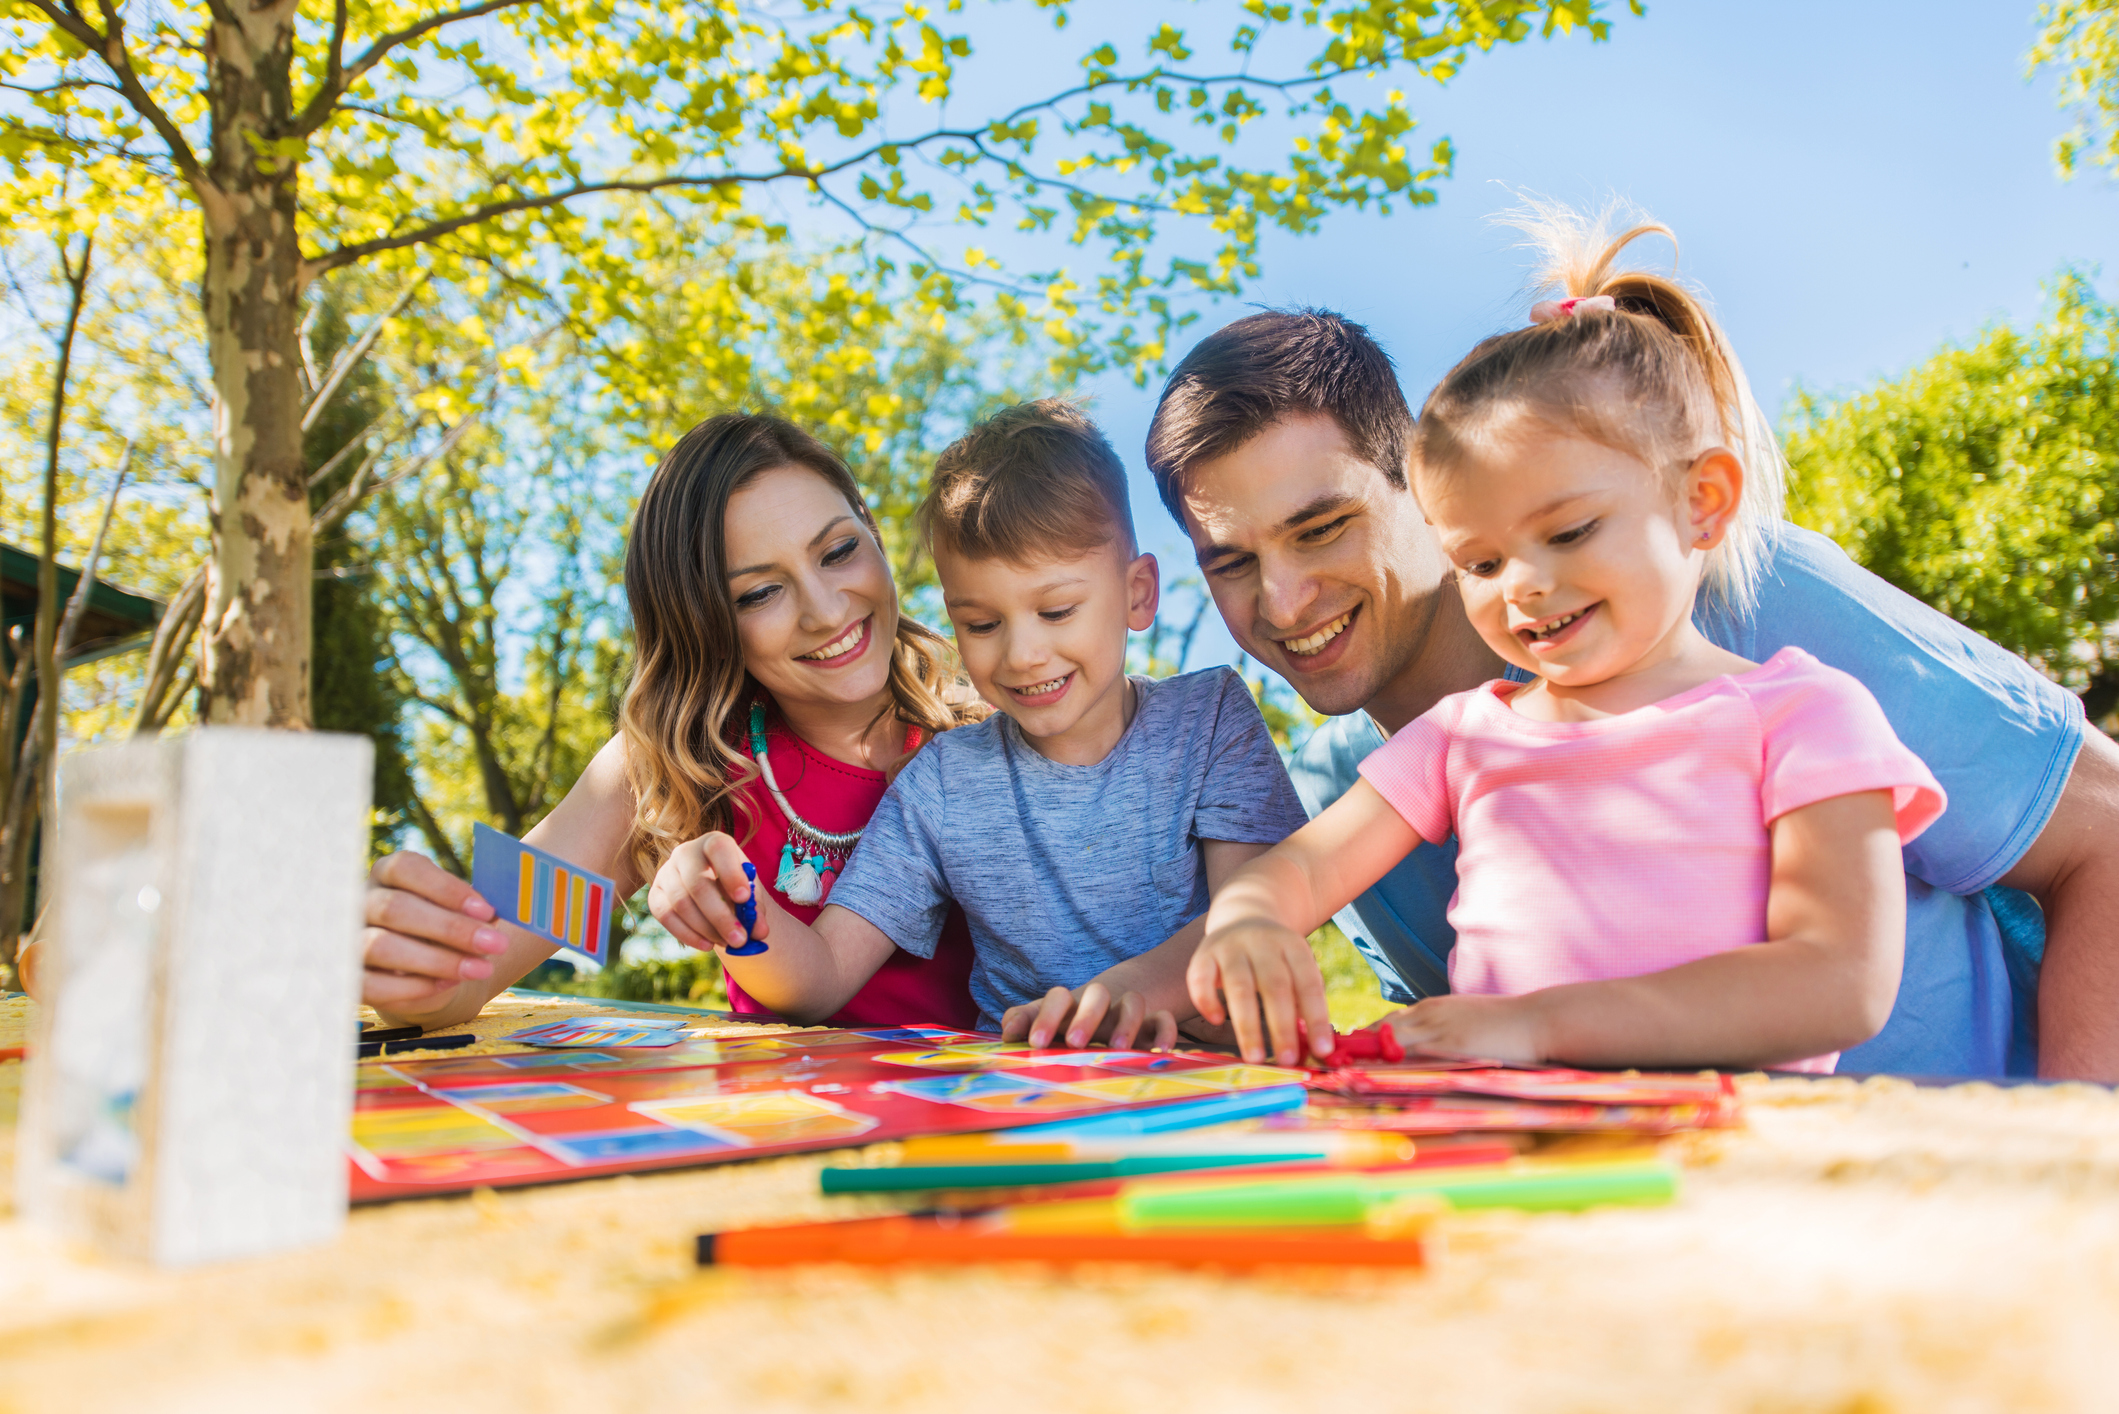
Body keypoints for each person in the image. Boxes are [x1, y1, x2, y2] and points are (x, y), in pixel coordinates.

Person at [1146, 208, 2119, 1080]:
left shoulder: (1763, 632)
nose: (1281, 597)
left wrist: (2077, 1175)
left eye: (1320, 527)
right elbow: (1430, 999)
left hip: (1933, 1184)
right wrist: (1236, 938)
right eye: (1228, 560)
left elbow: (2100, 831)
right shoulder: (1385, 766)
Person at [654, 399, 1311, 1046]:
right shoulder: (941, 780)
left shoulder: (1209, 720)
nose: (1022, 654)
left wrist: (1111, 1000)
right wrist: (736, 908)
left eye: (1056, 612)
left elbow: (1255, 913)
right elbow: (822, 977)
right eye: (981, 624)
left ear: (1137, 594)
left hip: (1224, 1083)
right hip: (1024, 1107)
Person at [361, 414, 982, 1031]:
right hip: (785, 1125)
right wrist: (404, 959)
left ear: (873, 537)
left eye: (839, 551)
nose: (823, 612)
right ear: (703, 623)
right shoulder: (668, 769)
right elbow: (468, 965)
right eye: (759, 593)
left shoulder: (998, 735)